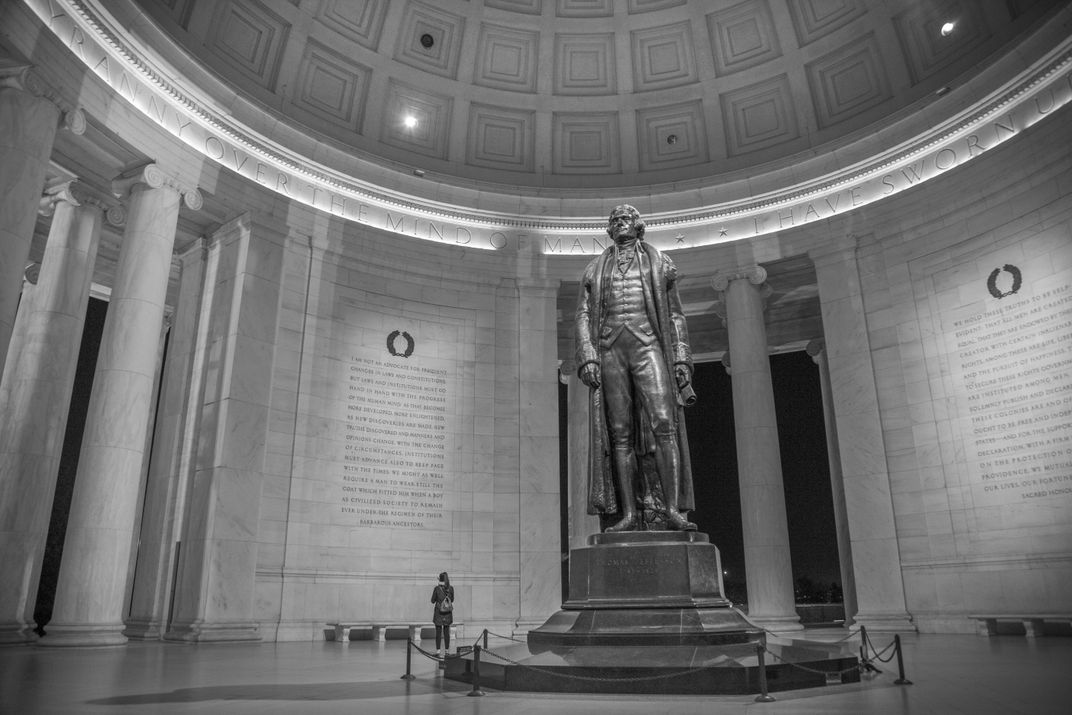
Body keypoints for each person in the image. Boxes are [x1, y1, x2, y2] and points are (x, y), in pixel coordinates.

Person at [575, 204, 697, 532]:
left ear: (638, 225)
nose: (619, 224)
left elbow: (674, 314)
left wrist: (682, 356)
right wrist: (587, 353)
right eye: (613, 221)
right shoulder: (594, 268)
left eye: (625, 219)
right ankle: (628, 515)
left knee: (663, 422)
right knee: (619, 434)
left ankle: (672, 510)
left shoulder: (659, 262)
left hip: (648, 345)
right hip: (611, 348)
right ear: (609, 230)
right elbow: (584, 314)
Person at [430, 571, 454, 659]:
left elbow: (432, 600)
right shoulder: (451, 588)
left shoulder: (437, 588)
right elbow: (453, 600)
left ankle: (438, 651)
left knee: (438, 633)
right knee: (447, 633)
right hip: (447, 613)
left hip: (439, 613)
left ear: (440, 579)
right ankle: (447, 651)